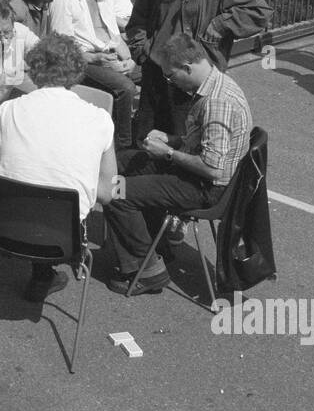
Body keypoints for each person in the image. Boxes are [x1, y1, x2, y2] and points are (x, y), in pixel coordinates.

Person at [104, 34, 252, 296]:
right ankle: (155, 244)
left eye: (171, 76)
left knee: (114, 192)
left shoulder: (217, 103)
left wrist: (169, 152)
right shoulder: (217, 84)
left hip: (205, 187)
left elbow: (212, 168)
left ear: (187, 68)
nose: (170, 83)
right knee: (125, 162)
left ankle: (148, 269)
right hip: (197, 172)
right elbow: (208, 143)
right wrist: (173, 139)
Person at [0, 34, 117, 302]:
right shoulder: (100, 119)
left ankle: (42, 275)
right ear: (77, 73)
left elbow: (11, 167)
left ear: (34, 70)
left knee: (37, 187)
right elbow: (107, 193)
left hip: (2, 227)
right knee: (56, 194)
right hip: (65, 239)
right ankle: (44, 274)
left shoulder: (6, 110)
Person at [126, 0, 270, 142]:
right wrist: (142, 53)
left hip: (193, 78)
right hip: (155, 69)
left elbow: (260, 11)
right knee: (146, 136)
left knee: (185, 138)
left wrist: (221, 24)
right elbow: (138, 21)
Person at [49, 0, 138, 149]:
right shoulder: (66, 0)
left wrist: (129, 59)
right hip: (83, 62)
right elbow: (61, 47)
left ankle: (143, 132)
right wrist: (95, 58)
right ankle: (123, 145)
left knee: (154, 72)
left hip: (109, 55)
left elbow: (114, 35)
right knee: (126, 88)